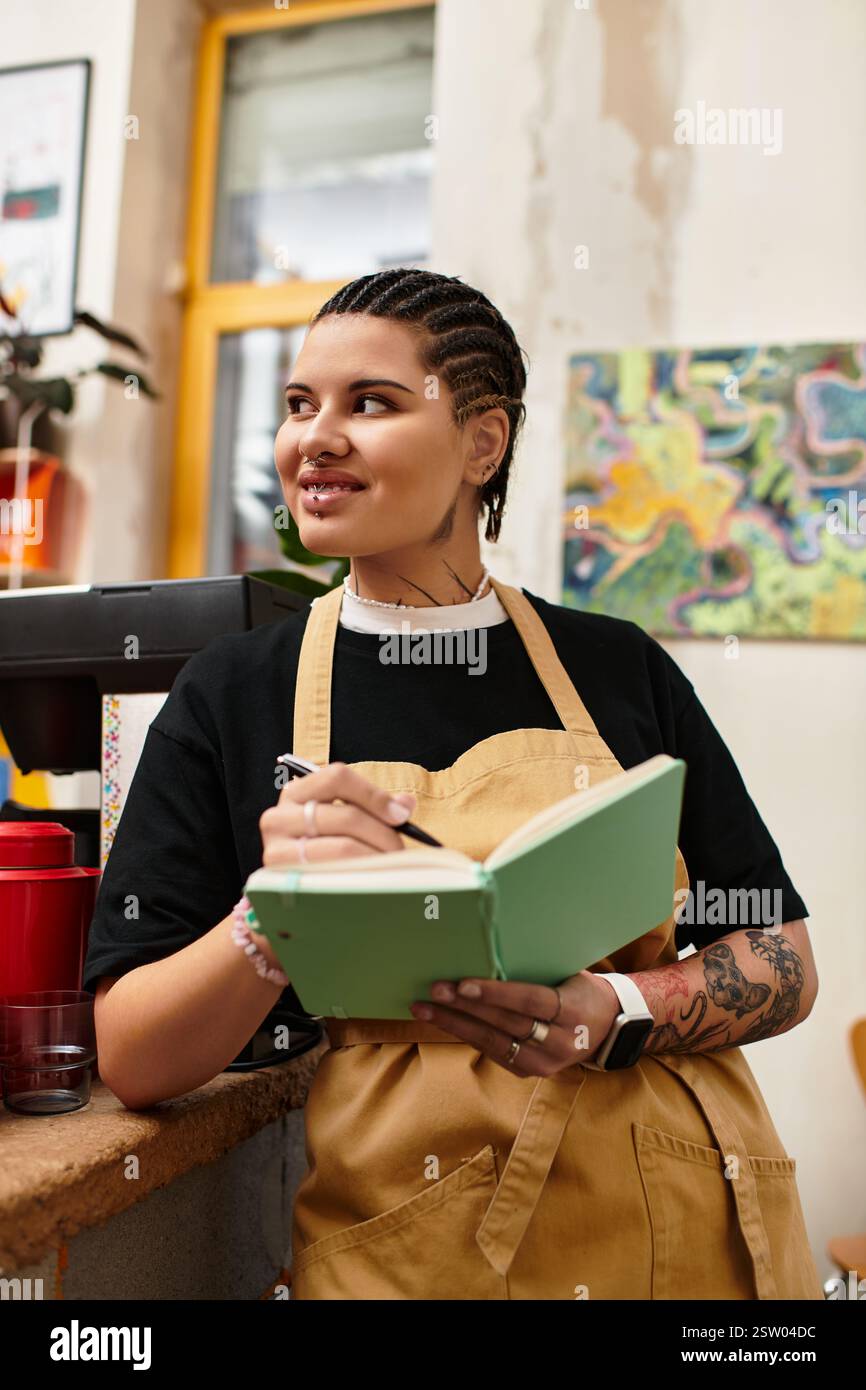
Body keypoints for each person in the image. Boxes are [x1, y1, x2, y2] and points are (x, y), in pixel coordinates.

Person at [86, 267, 823, 1301]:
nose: (316, 438)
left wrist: (616, 1006)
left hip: (682, 1228)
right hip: (418, 1243)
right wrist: (272, 918)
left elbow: (780, 957)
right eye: (300, 405)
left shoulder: (617, 668)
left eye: (370, 403)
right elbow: (132, 1055)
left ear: (482, 442)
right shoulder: (231, 692)